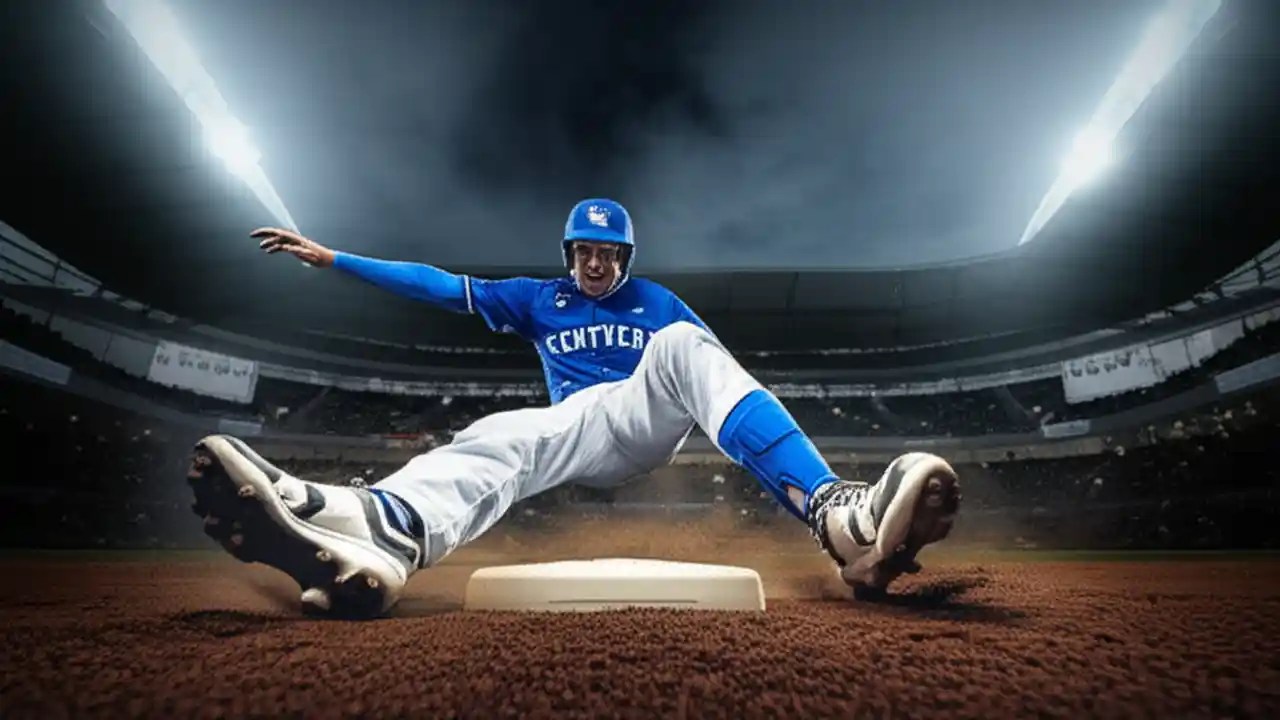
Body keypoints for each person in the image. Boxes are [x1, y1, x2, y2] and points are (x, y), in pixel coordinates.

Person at [187, 198, 960, 618]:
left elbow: (718, 382)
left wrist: (683, 366)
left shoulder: (658, 303)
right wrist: (337, 259)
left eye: (609, 254)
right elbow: (438, 284)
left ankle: (835, 515)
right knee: (506, 432)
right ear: (569, 255)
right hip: (575, 433)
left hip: (644, 420)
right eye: (585, 252)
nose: (596, 263)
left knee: (687, 348)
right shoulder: (536, 299)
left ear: (625, 259)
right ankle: (390, 532)